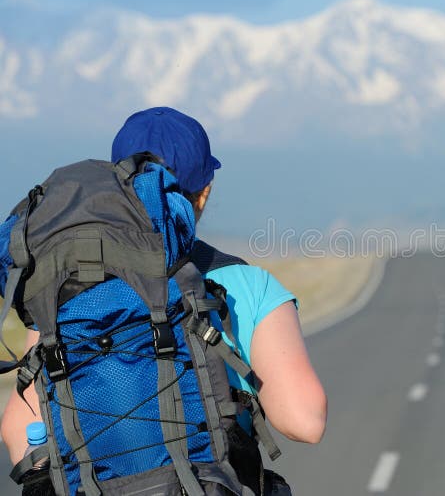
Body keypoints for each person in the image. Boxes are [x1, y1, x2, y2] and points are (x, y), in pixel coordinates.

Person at [0, 107, 327, 487]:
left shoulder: (69, 291)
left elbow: (17, 430)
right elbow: (305, 421)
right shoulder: (247, 284)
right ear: (204, 193)